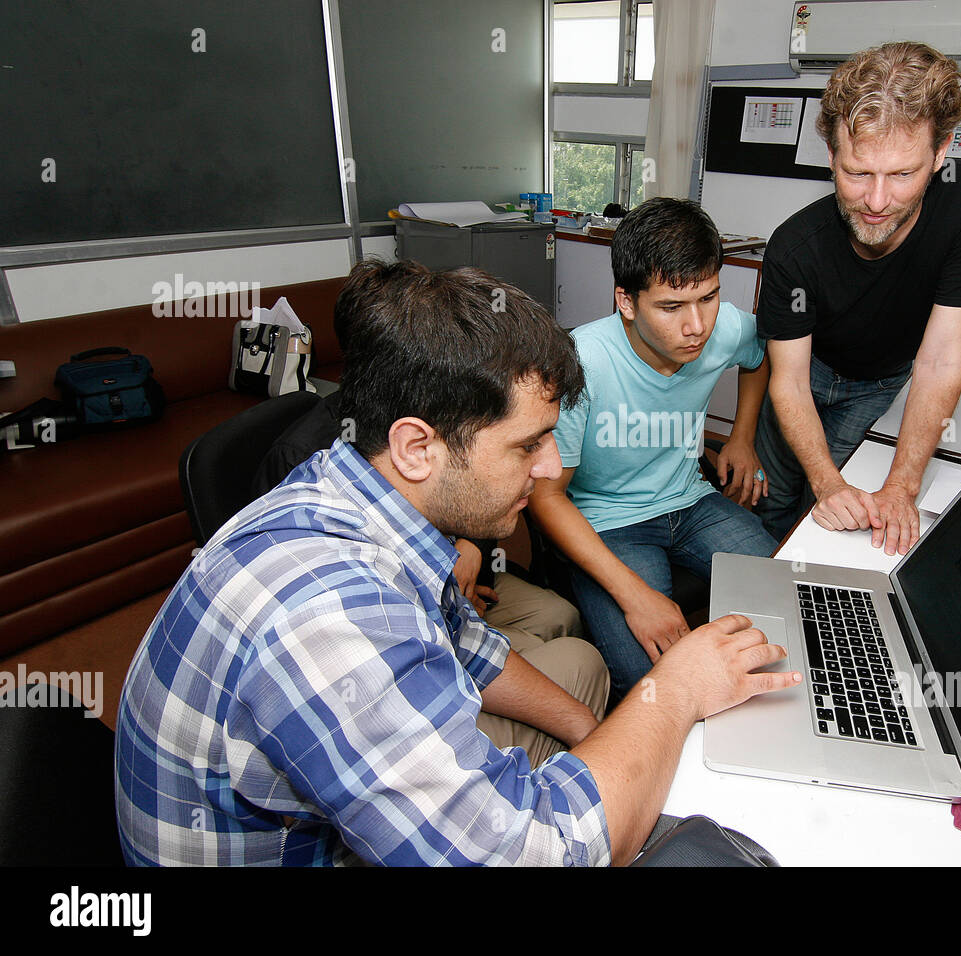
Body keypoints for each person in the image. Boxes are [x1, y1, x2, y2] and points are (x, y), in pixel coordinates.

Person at [115, 260, 799, 867]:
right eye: (527, 445)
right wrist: (674, 693)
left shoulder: (355, 489)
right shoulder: (330, 621)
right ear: (417, 448)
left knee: (588, 697)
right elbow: (535, 855)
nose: (552, 466)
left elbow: (469, 647)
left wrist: (601, 732)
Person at [753, 41, 961, 553]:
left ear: (941, 153)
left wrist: (902, 485)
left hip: (878, 383)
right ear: (831, 155)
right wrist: (828, 483)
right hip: (807, 372)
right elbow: (789, 379)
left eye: (902, 174)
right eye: (856, 173)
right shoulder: (793, 247)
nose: (876, 202)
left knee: (839, 515)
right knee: (776, 495)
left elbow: (940, 359)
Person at [528, 198, 778, 704]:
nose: (696, 326)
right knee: (652, 686)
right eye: (670, 307)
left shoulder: (723, 327)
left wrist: (743, 437)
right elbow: (546, 496)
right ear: (626, 301)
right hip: (608, 520)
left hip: (690, 501)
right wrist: (636, 596)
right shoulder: (581, 361)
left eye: (708, 298)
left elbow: (759, 356)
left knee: (792, 602)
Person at [251, 294, 583, 654]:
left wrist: (469, 552)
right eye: (527, 445)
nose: (550, 466)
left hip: (456, 593)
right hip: (413, 622)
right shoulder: (312, 467)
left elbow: (468, 492)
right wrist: (446, 598)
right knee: (576, 661)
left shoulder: (436, 435)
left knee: (560, 619)